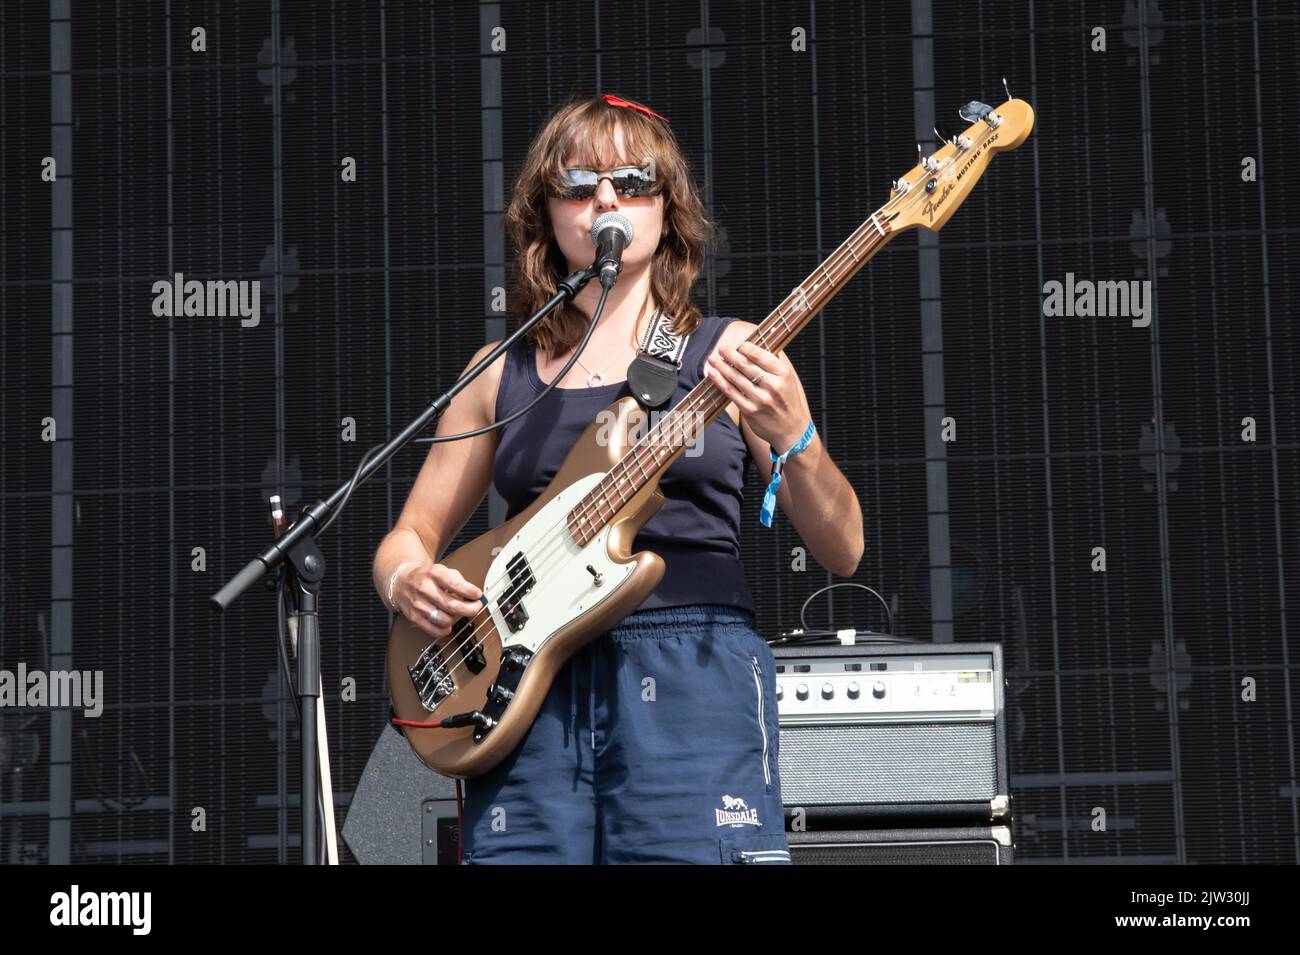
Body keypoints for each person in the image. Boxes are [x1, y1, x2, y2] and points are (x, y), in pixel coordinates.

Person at [372, 93, 863, 864]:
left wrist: (795, 431)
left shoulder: (729, 352)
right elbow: (409, 536)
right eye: (578, 184)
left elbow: (843, 548)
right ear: (547, 213)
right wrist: (405, 581)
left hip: (690, 677)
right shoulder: (495, 373)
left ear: (669, 210)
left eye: (634, 181)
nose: (606, 197)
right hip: (526, 685)